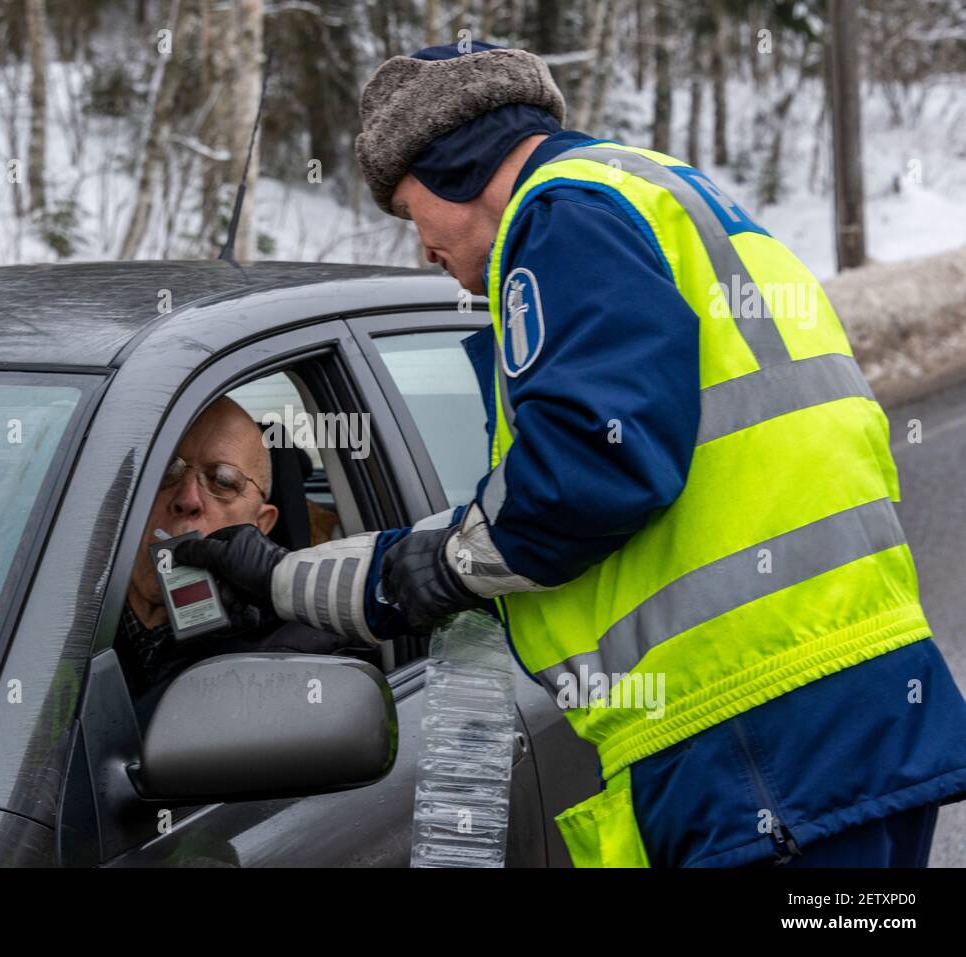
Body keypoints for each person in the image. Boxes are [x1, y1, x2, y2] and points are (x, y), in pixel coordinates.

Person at [177, 41, 966, 867]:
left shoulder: (563, 216)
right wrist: (283, 575)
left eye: (415, 216)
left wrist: (434, 572)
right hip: (854, 703)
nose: (425, 250)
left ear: (456, 167)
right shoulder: (665, 191)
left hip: (747, 733)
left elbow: (587, 472)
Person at [117, 396, 370, 726]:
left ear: (260, 525)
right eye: (166, 469)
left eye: (223, 480)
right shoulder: (55, 605)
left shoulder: (297, 658)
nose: (188, 499)